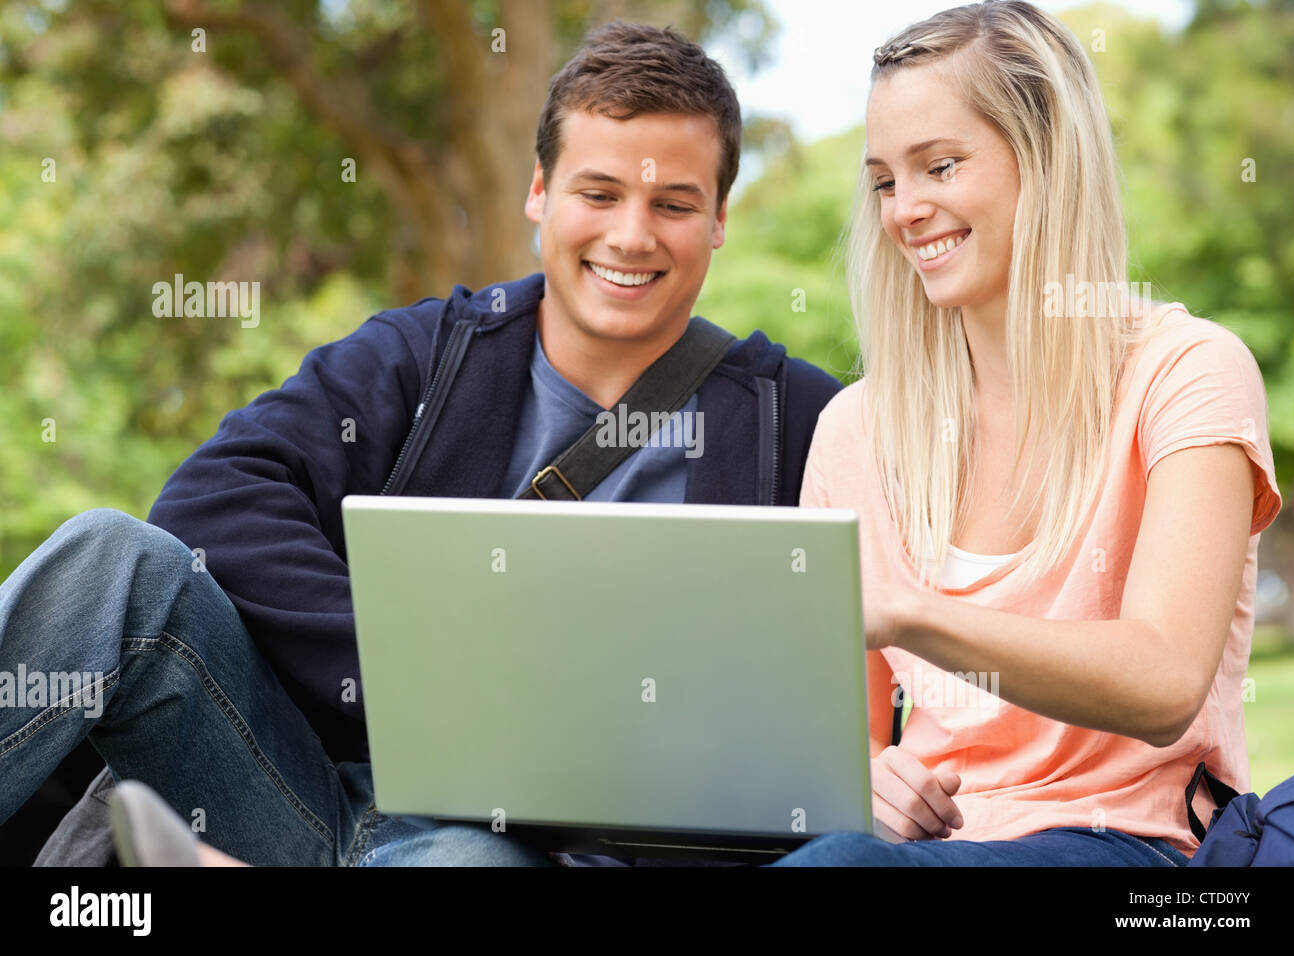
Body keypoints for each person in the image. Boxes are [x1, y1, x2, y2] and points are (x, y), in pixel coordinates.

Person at [0, 21, 842, 866]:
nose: (631, 234)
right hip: (293, 793)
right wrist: (411, 673)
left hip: (523, 850)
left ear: (721, 218)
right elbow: (211, 498)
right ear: (539, 193)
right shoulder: (424, 354)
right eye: (599, 192)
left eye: (673, 204)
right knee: (109, 560)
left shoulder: (799, 419)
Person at [769, 0, 1281, 866]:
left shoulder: (1188, 372)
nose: (905, 210)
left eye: (941, 166)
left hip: (1129, 841)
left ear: (1046, 158)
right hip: (915, 852)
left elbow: (1162, 680)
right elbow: (839, 735)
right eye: (887, 180)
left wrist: (913, 614)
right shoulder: (856, 429)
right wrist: (870, 776)